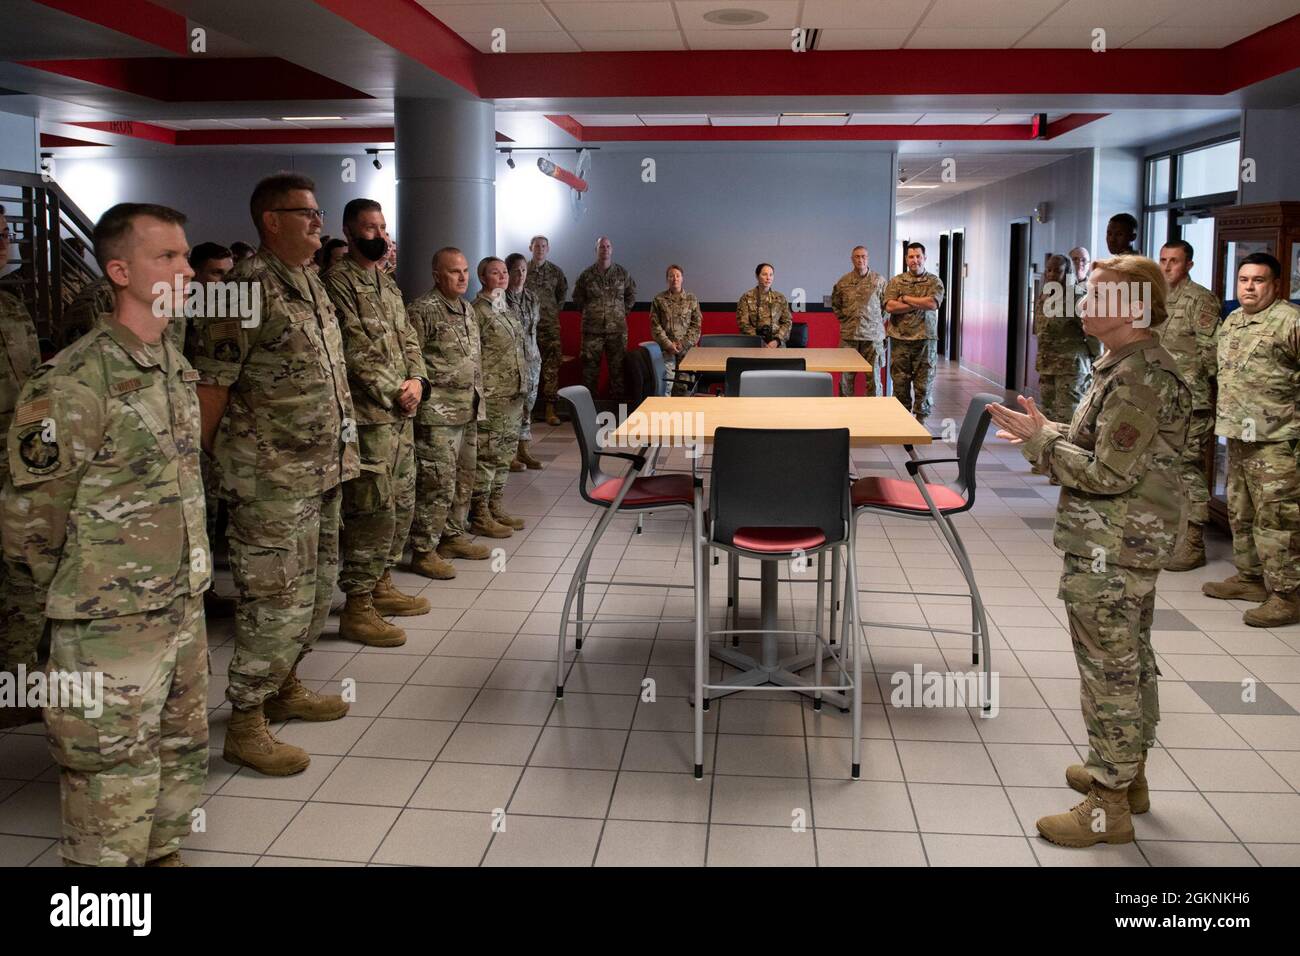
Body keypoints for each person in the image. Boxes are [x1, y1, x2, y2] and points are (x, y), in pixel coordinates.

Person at [1, 202, 210, 865]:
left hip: (179, 603)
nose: (186, 268)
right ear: (120, 271)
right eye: (166, 257)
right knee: (108, 774)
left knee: (178, 749)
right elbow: (30, 526)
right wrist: (62, 613)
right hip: (105, 622)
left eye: (185, 254)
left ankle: (163, 853)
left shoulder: (172, 364)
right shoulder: (73, 380)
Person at [989, 254, 1190, 848]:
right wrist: (1050, 433)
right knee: (1128, 660)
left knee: (1109, 669)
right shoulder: (1122, 366)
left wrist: (1042, 439)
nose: (1081, 303)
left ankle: (1108, 803)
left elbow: (1106, 474)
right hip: (1120, 541)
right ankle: (1129, 779)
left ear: (1131, 309)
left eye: (1096, 295)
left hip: (1116, 544)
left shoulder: (1138, 378)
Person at [194, 172, 359, 777]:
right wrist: (214, 468)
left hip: (321, 469)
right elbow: (210, 387)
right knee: (272, 598)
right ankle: (246, 722)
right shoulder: (235, 291)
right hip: (268, 479)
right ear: (270, 220)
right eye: (306, 213)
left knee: (317, 588)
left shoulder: (309, 284)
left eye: (320, 213)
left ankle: (285, 683)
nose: (320, 222)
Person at [323, 198, 431, 647]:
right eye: (371, 228)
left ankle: (382, 582)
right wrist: (397, 391)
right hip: (367, 420)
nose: (381, 236)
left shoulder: (387, 285)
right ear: (349, 232)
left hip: (400, 416)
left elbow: (408, 337)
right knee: (371, 508)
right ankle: (358, 605)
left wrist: (418, 380)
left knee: (402, 501)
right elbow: (352, 351)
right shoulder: (337, 283)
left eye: (384, 227)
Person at [1202, 252, 1300, 627]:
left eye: (1258, 280)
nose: (1249, 287)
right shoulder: (1234, 322)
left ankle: (1286, 595)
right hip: (1240, 438)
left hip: (1277, 442)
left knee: (1278, 520)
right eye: (1244, 280)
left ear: (1275, 285)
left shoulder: (1290, 322)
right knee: (1241, 514)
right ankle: (1250, 578)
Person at [407, 247, 496, 581]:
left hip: (468, 408)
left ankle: (452, 535)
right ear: (436, 275)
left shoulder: (466, 310)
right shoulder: (422, 310)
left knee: (463, 479)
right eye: (454, 271)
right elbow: (412, 360)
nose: (463, 277)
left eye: (465, 270)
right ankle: (423, 549)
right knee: (436, 484)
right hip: (437, 416)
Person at [0, 203, 43, 730]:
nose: (7, 240)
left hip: (19, 459)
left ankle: (16, 684)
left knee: (21, 576)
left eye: (7, 229)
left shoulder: (11, 305)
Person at [1157, 240, 1222, 571]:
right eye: (1163, 260)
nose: (1167, 267)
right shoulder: (1156, 297)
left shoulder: (1200, 300)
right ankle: (1172, 533)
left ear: (1189, 265)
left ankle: (1194, 540)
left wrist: (1207, 391)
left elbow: (1212, 354)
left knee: (1188, 467)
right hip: (1159, 398)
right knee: (1164, 468)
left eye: (1175, 261)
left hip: (1191, 401)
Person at [183, 241, 238, 619]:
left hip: (211, 432)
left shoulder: (222, 316)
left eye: (228, 274)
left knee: (209, 516)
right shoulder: (175, 313)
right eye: (216, 273)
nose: (224, 281)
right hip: (185, 430)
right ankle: (191, 596)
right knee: (190, 519)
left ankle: (205, 591)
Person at [471, 257, 529, 534]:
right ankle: (480, 514)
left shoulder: (504, 306)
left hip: (513, 393)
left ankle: (496, 506)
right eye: (496, 273)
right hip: (492, 396)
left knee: (505, 454)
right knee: (488, 455)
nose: (503, 276)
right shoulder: (477, 311)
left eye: (504, 272)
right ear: (483, 278)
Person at [884, 242, 945, 425]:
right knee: (900, 384)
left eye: (918, 256)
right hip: (900, 341)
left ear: (924, 258)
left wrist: (905, 298)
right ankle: (902, 423)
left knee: (923, 385)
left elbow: (932, 304)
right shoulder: (896, 281)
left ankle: (920, 422)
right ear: (906, 259)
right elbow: (889, 306)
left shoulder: (934, 282)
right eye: (911, 257)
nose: (915, 260)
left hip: (925, 342)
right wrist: (919, 302)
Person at [572, 236, 635, 400]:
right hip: (592, 332)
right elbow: (577, 298)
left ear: (611, 250)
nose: (605, 249)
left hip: (617, 331)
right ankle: (589, 409)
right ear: (596, 250)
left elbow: (631, 296)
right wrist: (592, 313)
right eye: (601, 247)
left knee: (618, 371)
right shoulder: (586, 275)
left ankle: (618, 410)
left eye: (607, 246)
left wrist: (620, 313)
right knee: (589, 372)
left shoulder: (622, 273)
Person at [1033, 253, 1093, 423]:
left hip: (1071, 368)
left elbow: (1092, 332)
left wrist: (1095, 358)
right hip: (1047, 365)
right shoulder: (1045, 296)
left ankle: (1067, 449)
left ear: (1067, 272)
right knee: (1047, 414)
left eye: (1057, 271)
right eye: (1049, 270)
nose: (1051, 275)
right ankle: (1049, 449)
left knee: (1068, 415)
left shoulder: (1077, 296)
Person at [505, 253, 543, 471]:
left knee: (528, 406)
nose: (520, 275)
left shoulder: (532, 298)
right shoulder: (501, 299)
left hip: (532, 359)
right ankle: (509, 453)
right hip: (511, 362)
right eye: (516, 270)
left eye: (523, 270)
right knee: (512, 407)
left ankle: (524, 449)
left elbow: (533, 330)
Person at [831, 245, 886, 396]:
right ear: (852, 259)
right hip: (850, 337)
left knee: (874, 379)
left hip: (873, 338)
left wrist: (873, 323)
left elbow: (885, 306)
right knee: (845, 379)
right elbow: (836, 304)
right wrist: (847, 322)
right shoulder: (843, 282)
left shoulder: (879, 281)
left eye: (863, 256)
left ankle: (873, 415)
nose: (860, 259)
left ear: (868, 258)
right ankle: (845, 414)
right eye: (857, 256)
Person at [524, 235, 567, 425]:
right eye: (536, 246)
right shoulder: (522, 269)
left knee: (551, 368)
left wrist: (551, 312)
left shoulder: (556, 272)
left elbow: (561, 295)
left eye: (543, 246)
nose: (540, 249)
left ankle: (550, 410)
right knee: (527, 368)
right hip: (526, 327)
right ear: (530, 248)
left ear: (548, 249)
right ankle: (527, 411)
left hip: (549, 326)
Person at [649, 264, 703, 396]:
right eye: (671, 276)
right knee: (666, 384)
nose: (675, 278)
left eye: (678, 275)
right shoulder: (659, 300)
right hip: (667, 349)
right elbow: (655, 325)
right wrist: (668, 344)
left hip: (687, 350)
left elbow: (696, 325)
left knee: (684, 387)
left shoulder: (692, 299)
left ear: (682, 278)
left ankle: (682, 414)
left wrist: (683, 344)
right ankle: (665, 414)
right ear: (667, 279)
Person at [736, 262, 791, 347]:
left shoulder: (780, 298)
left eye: (771, 275)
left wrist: (777, 341)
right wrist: (759, 341)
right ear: (757, 276)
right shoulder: (747, 297)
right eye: (764, 274)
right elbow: (743, 323)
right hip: (753, 343)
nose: (768, 278)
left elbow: (787, 322)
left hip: (777, 345)